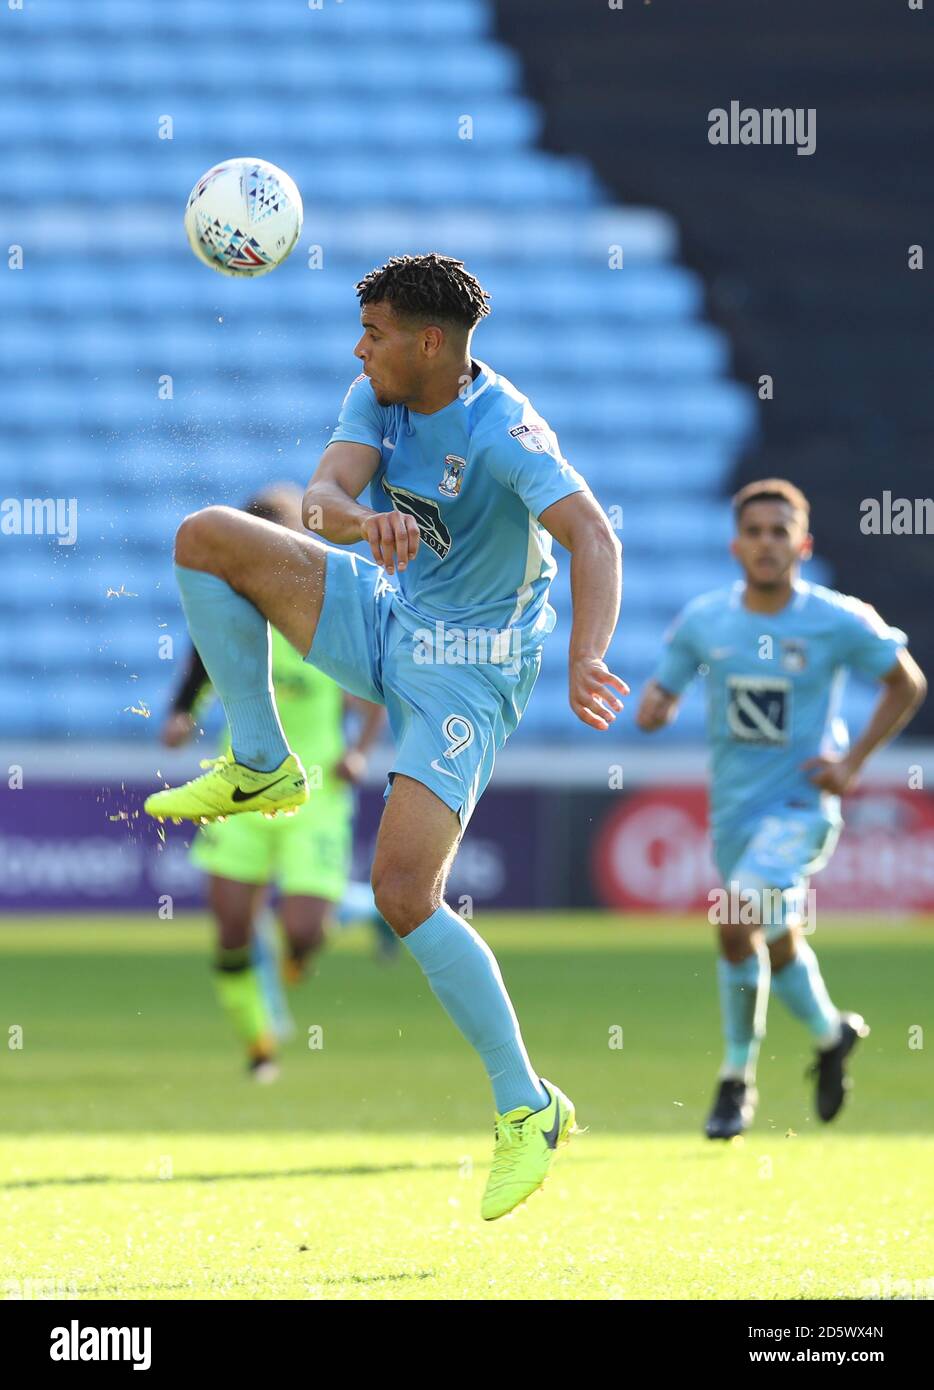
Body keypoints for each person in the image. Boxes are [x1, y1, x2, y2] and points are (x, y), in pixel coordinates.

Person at [145, 252, 626, 1219]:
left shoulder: (504, 431)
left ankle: (526, 1106)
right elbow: (322, 495)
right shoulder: (378, 391)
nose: (358, 346)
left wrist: (585, 656)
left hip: (470, 666)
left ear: (430, 341)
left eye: (374, 331)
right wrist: (360, 526)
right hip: (387, 612)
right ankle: (261, 760)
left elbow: (593, 537)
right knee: (206, 536)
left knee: (404, 892)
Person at [636, 478, 926, 1138]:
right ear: (736, 546)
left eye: (780, 531)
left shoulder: (835, 618)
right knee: (774, 936)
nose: (768, 543)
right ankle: (831, 1037)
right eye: (756, 532)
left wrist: (851, 765)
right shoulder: (705, 621)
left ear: (803, 544)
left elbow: (906, 681)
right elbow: (661, 696)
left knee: (736, 915)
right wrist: (655, 709)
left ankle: (736, 1079)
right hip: (734, 815)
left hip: (801, 806)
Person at [160, 484, 387, 1082]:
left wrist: (360, 755)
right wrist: (180, 718)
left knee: (303, 930)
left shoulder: (322, 623)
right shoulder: (227, 620)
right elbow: (195, 679)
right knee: (233, 924)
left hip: (315, 796)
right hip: (240, 793)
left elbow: (374, 701)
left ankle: (349, 926)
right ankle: (259, 1044)